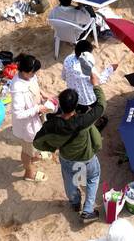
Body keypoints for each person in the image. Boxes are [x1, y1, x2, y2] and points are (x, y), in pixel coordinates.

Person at [34, 83, 107, 223]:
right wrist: (96, 86)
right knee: (93, 178)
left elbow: (37, 142)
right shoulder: (83, 120)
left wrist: (51, 147)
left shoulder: (52, 125)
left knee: (70, 180)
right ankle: (88, 210)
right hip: (87, 159)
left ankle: (75, 202)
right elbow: (101, 106)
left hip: (67, 159)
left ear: (60, 105)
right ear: (76, 105)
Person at [7, 53, 57, 182]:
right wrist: (37, 109)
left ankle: (34, 156)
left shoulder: (29, 76)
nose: (34, 75)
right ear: (25, 71)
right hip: (26, 124)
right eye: (33, 73)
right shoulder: (17, 88)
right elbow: (18, 114)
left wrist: (44, 95)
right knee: (26, 150)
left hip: (35, 115)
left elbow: (34, 85)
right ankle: (28, 173)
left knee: (33, 144)